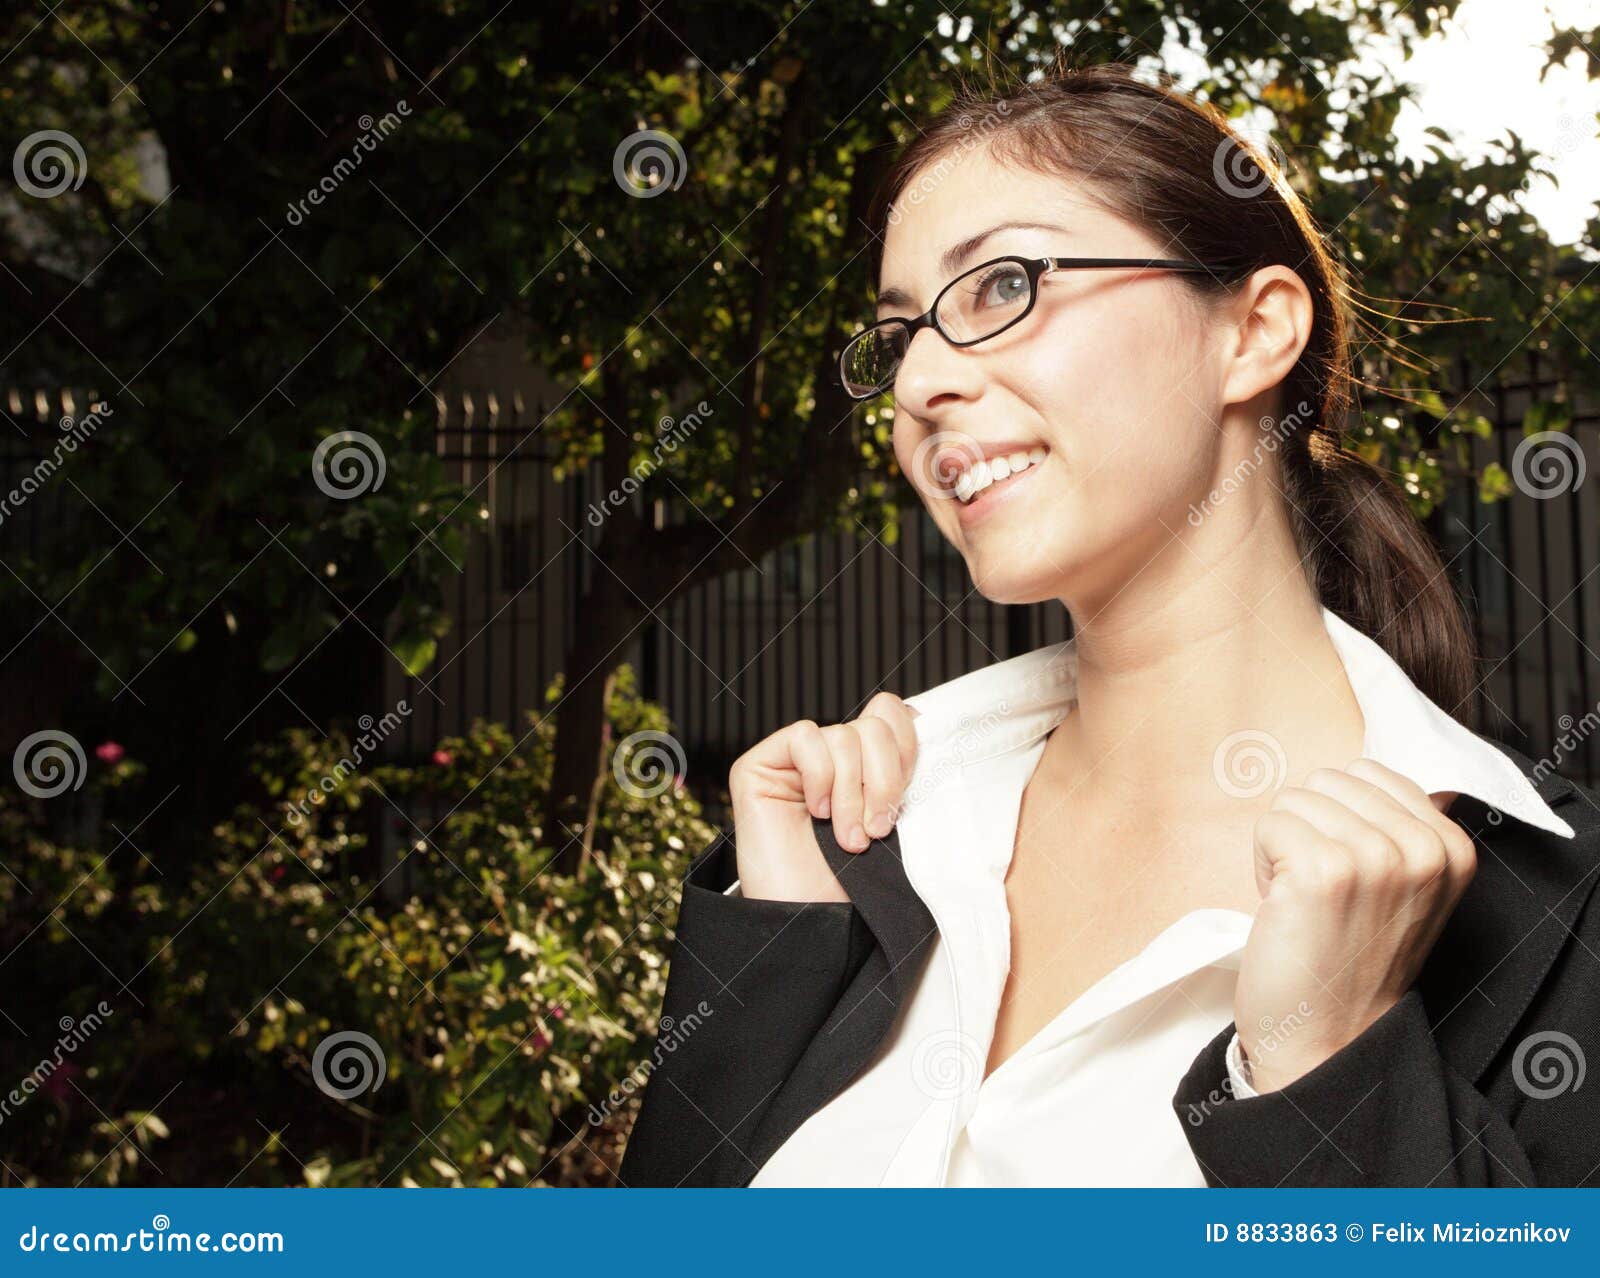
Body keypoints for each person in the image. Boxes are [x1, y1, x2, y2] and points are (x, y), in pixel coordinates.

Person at [618, 62, 1600, 1188]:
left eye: (1001, 285)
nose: (920, 382)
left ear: (1254, 332)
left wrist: (1333, 1075)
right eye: (897, 339)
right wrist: (781, 949)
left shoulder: (1558, 927)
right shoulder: (865, 850)